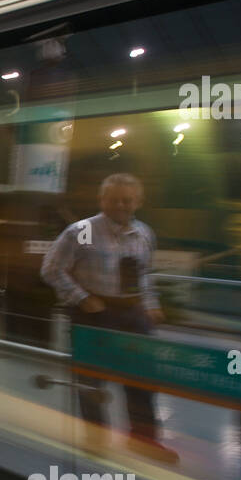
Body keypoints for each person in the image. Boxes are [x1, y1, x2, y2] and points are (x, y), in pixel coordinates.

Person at [41, 173, 179, 464]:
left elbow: (144, 275)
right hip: (94, 313)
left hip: (133, 313)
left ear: (138, 202)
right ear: (102, 200)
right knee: (92, 382)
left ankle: (143, 440)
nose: (121, 205)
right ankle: (96, 440)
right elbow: (51, 269)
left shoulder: (144, 233)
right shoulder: (81, 231)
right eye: (114, 199)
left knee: (143, 379)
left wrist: (151, 304)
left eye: (127, 200)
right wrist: (82, 298)